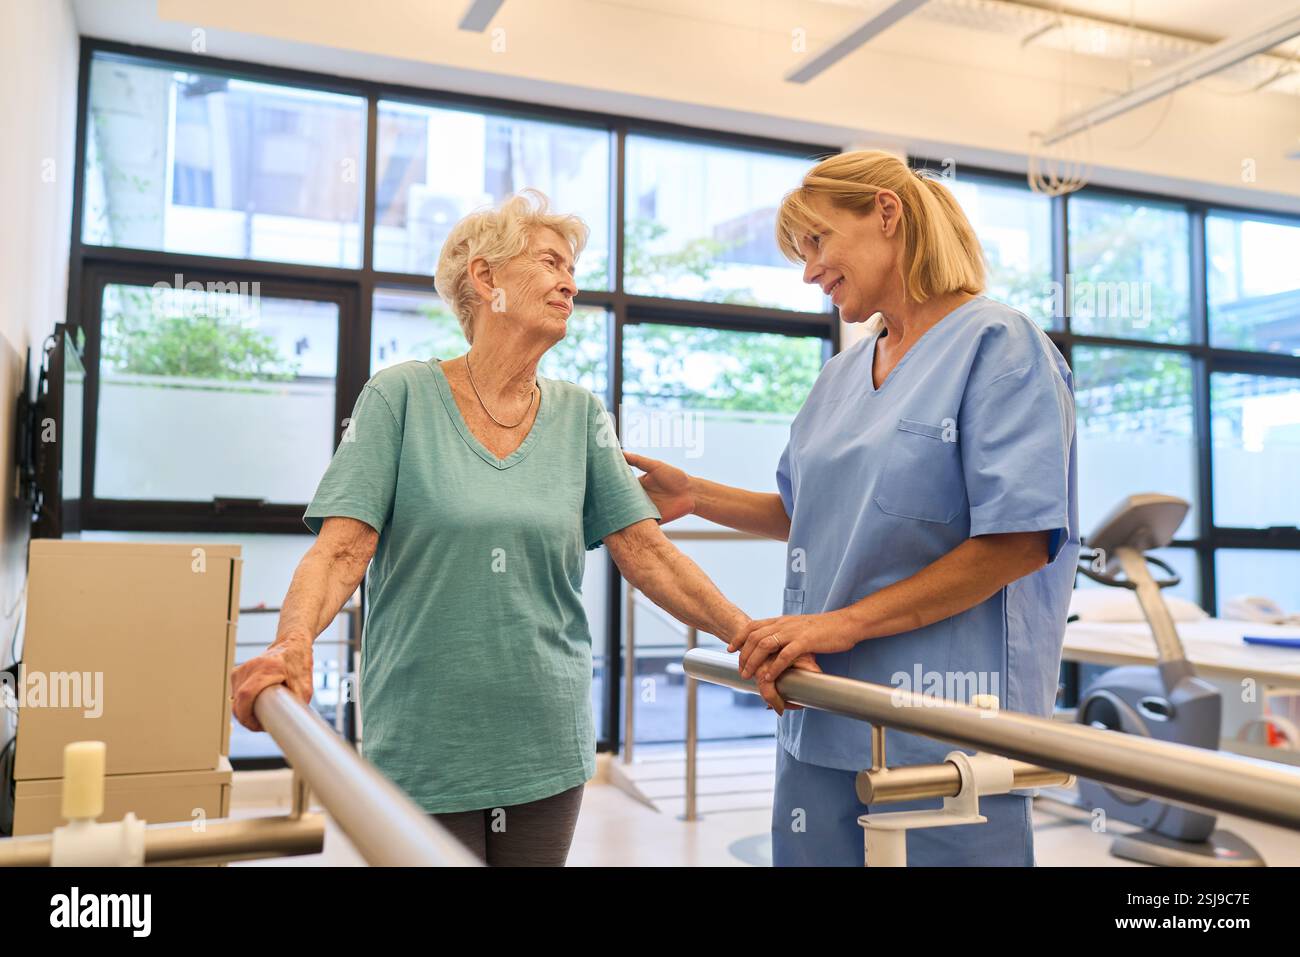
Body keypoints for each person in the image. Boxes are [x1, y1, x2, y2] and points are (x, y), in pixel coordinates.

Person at [231, 189, 765, 867]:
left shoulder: (579, 415)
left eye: (572, 267)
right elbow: (340, 551)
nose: (570, 281)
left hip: (546, 742)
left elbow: (648, 553)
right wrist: (293, 644)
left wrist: (746, 635)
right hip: (425, 743)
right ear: (486, 279)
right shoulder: (399, 398)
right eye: (549, 262)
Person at [627, 150, 1079, 866]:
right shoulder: (841, 373)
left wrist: (836, 625)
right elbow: (808, 512)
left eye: (816, 242)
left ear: (886, 213)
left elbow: (1018, 539)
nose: (808, 271)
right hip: (819, 709)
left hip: (942, 731)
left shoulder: (998, 343)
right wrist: (696, 495)